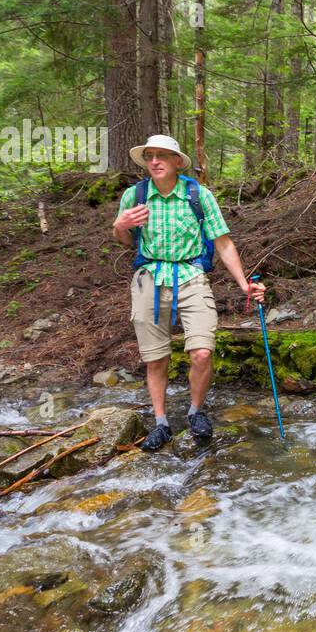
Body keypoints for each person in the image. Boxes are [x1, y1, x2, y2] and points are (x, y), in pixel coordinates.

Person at [111, 135, 265, 452]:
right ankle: (161, 423)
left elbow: (223, 242)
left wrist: (243, 283)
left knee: (202, 352)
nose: (155, 161)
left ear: (177, 161)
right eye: (150, 156)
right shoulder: (135, 195)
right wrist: (120, 225)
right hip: (149, 278)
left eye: (162, 156)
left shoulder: (198, 195)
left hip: (192, 276)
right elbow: (126, 242)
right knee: (156, 359)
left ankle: (195, 412)